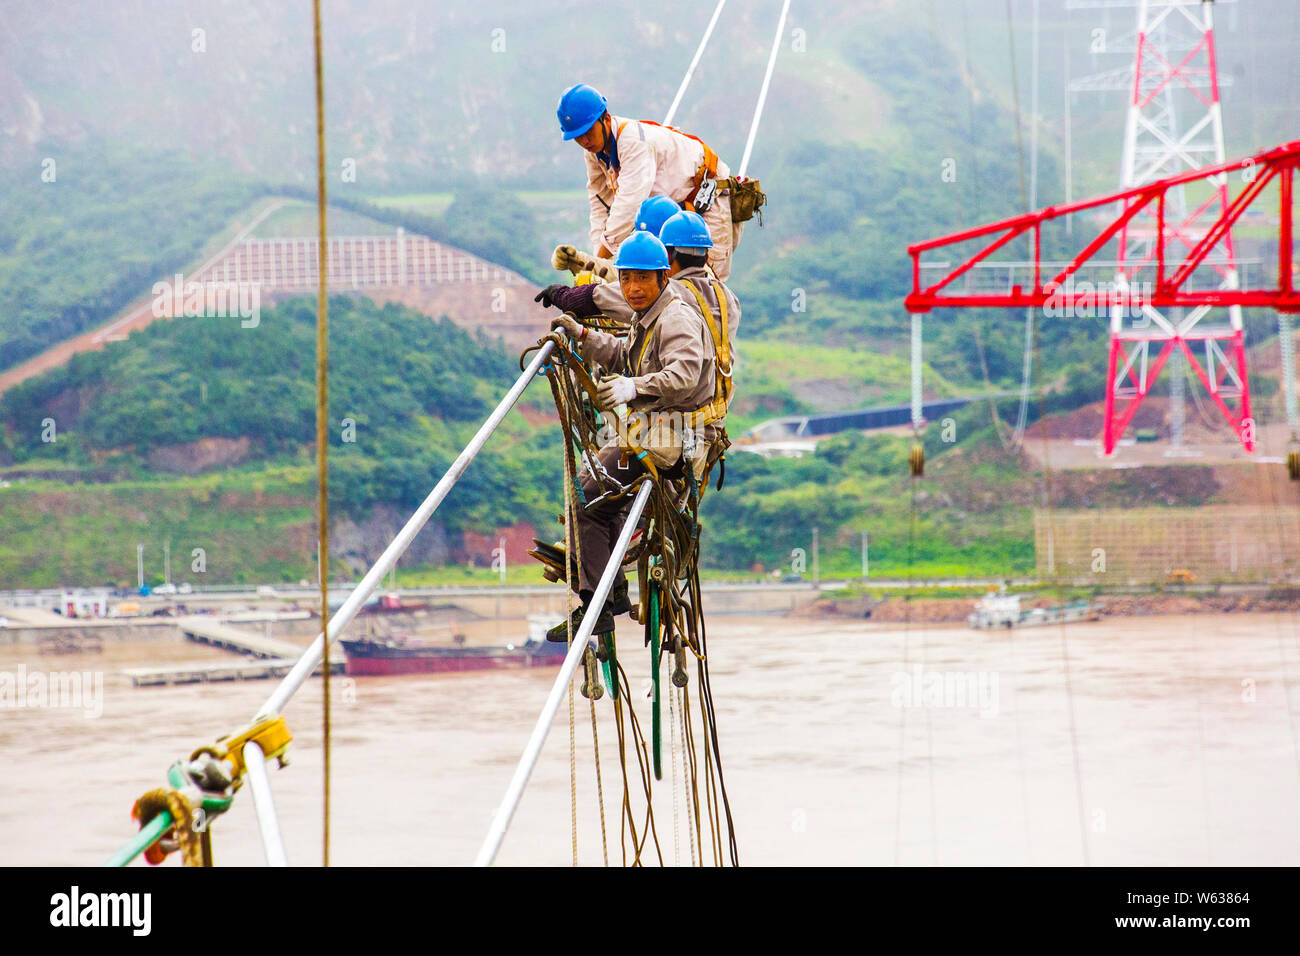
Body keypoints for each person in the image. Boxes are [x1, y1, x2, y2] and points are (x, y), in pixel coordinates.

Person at [543, 232, 716, 641]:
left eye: (642, 279)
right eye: (626, 280)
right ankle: (607, 590)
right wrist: (584, 338)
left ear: (662, 277)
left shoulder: (675, 317)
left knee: (589, 498)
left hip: (678, 437)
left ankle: (599, 605)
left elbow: (685, 373)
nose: (633, 289)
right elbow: (626, 355)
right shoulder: (649, 315)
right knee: (594, 493)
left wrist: (633, 388)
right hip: (659, 431)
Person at [536, 209, 739, 437]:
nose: (635, 288)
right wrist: (585, 334)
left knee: (602, 465)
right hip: (716, 410)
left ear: (668, 257)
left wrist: (563, 296)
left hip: (680, 420)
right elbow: (633, 355)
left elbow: (606, 297)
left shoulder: (669, 296)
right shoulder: (726, 297)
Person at [556, 82, 744, 280]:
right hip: (675, 207)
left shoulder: (634, 142)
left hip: (709, 198)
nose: (584, 141)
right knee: (664, 275)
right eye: (578, 137)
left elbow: (628, 207)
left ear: (606, 119)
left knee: (708, 278)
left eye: (588, 132)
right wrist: (597, 259)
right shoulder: (594, 152)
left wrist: (594, 266)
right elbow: (600, 204)